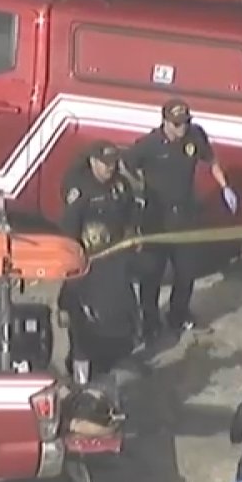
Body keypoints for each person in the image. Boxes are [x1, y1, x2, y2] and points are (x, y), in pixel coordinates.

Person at [122, 98, 239, 341]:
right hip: (156, 218)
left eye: (184, 123)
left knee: (186, 271)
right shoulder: (150, 144)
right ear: (165, 121)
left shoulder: (195, 136)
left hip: (185, 215)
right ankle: (150, 321)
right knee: (152, 273)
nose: (181, 129)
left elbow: (211, 159)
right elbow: (126, 164)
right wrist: (139, 189)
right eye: (176, 124)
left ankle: (179, 314)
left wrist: (225, 186)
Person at [57, 142, 141, 383]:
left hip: (114, 261)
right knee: (81, 321)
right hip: (86, 263)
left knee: (117, 312)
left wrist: (133, 234)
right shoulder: (80, 190)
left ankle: (111, 360)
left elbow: (130, 213)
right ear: (93, 162)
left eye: (113, 164)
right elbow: (69, 231)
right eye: (105, 164)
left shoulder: (120, 186)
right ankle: (79, 374)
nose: (109, 169)